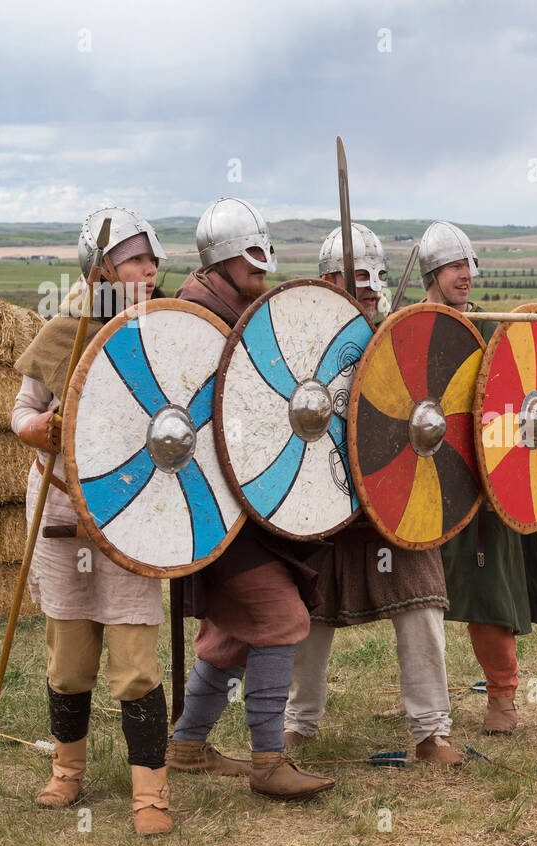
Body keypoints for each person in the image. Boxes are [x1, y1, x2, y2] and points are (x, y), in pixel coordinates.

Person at [11, 205, 173, 836]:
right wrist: (40, 429)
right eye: (137, 258)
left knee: (134, 655)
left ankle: (150, 794)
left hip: (132, 509)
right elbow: (20, 412)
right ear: (102, 268)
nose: (151, 269)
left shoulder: (159, 328)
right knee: (69, 654)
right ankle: (67, 769)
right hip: (60, 504)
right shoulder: (63, 331)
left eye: (154, 258)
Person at [165, 197, 334, 799]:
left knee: (233, 632)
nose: (263, 269)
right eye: (251, 258)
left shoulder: (239, 308)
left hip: (248, 505)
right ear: (221, 260)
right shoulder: (190, 317)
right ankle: (269, 760)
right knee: (280, 617)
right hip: (209, 505)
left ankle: (187, 743)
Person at [282, 224, 462, 765]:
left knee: (423, 607)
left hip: (392, 502)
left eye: (376, 277)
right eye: (356, 276)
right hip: (323, 500)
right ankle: (297, 725)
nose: (369, 287)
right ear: (328, 278)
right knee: (307, 616)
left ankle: (431, 732)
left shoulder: (396, 338)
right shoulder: (302, 342)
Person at [420, 221, 537, 734]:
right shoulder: (412, 328)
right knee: (418, 600)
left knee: (490, 594)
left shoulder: (488, 327)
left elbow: (517, 389)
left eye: (469, 265)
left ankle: (502, 701)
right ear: (433, 272)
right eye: (455, 266)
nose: (467, 275)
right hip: (427, 481)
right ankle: (423, 700)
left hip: (483, 484)